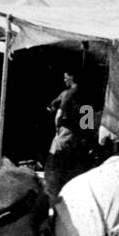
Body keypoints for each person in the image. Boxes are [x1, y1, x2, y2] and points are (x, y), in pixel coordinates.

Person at [45, 70, 93, 200]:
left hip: (65, 136)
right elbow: (88, 122)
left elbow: (58, 115)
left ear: (72, 77)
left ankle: (52, 200)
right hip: (78, 140)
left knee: (53, 170)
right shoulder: (87, 96)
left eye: (66, 77)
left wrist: (57, 129)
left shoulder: (67, 94)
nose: (64, 80)